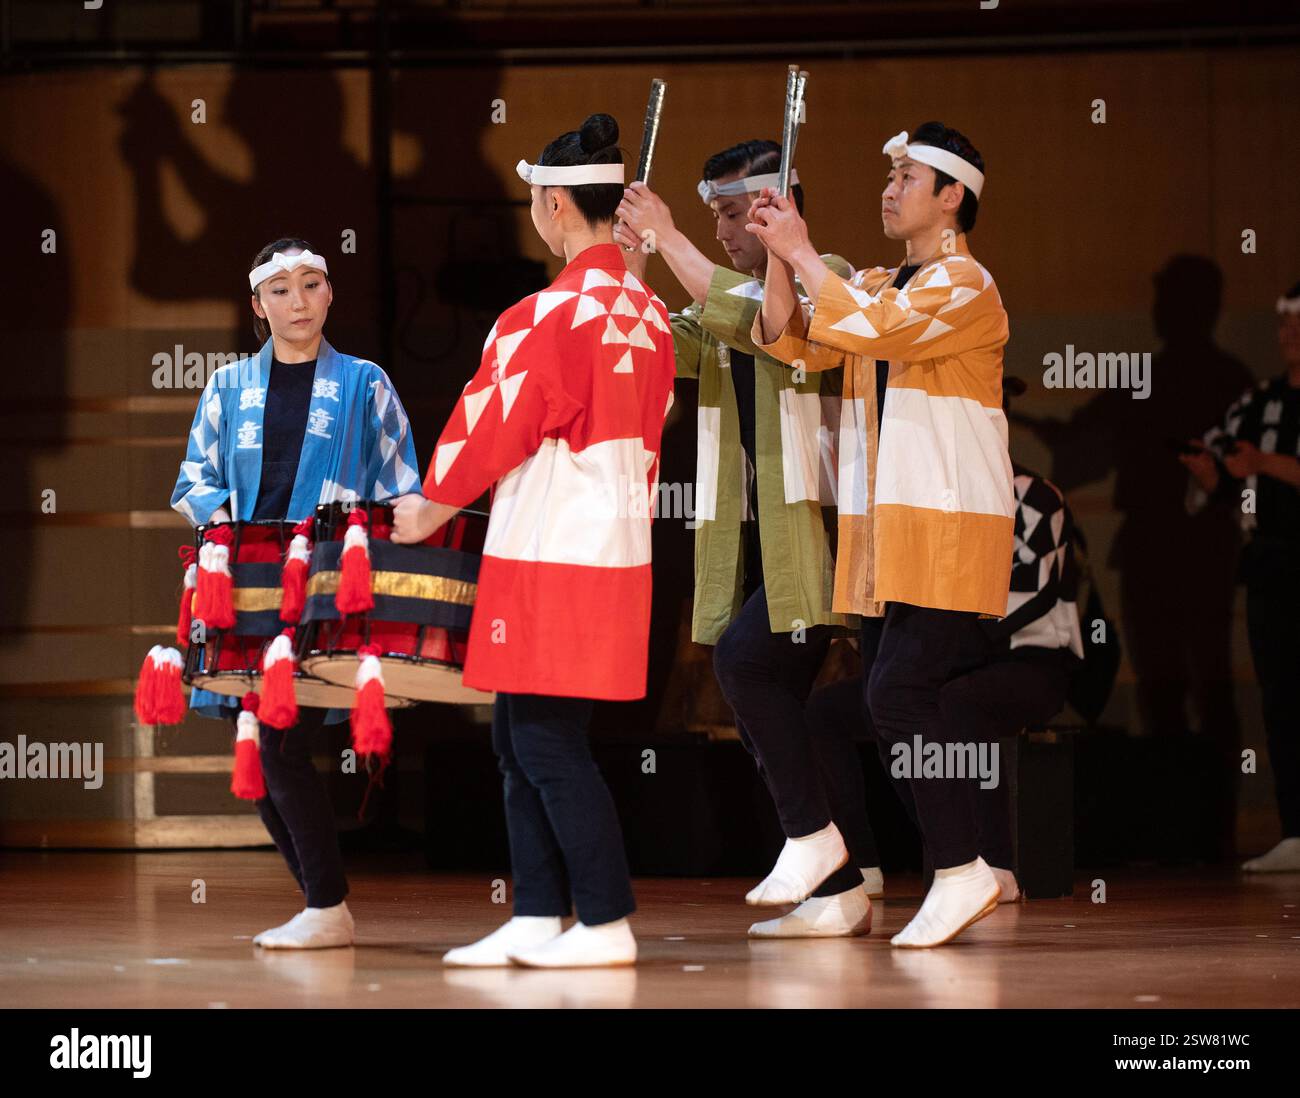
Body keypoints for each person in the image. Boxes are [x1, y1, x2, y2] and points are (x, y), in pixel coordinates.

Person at [393, 114, 676, 968]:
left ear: (556, 204)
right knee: (519, 737)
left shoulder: (548, 312)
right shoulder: (651, 311)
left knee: (544, 742)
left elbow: (492, 418)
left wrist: (432, 506)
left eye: (535, 201)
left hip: (552, 553)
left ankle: (604, 919)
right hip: (616, 552)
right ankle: (537, 912)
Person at [748, 122, 1015, 948]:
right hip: (886, 533)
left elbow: (880, 330)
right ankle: (957, 867)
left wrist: (802, 252)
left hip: (947, 522)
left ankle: (965, 869)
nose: (889, 187)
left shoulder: (967, 285)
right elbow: (796, 343)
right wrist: (775, 254)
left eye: (908, 176)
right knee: (884, 699)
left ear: (953, 196)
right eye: (888, 172)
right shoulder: (873, 282)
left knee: (897, 695)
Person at [614, 141, 877, 939]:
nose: (724, 231)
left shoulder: (824, 273)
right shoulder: (726, 286)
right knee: (781, 698)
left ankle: (836, 848)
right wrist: (627, 268)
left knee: (748, 664)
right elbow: (668, 345)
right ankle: (837, 885)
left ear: (776, 206)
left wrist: (670, 241)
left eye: (733, 215)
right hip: (768, 535)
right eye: (714, 217)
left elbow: (762, 321)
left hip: (831, 530)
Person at [171, 238, 422, 949]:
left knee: (279, 742)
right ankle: (323, 904)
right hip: (245, 582)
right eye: (280, 290)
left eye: (312, 284)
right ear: (258, 306)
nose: (299, 301)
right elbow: (194, 479)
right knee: (256, 741)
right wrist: (226, 531)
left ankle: (326, 906)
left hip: (322, 586)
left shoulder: (365, 383)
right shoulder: (226, 387)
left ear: (330, 294)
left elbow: (402, 484)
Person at [807, 378, 1084, 906]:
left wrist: (928, 650)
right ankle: (862, 865)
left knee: (949, 703)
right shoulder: (922, 501)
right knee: (834, 712)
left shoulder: (1037, 497)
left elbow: (1028, 599)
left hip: (1027, 660)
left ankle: (992, 862)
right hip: (946, 658)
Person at [1182, 280, 1300, 873]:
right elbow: (1233, 484)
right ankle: (1294, 829)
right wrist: (1215, 477)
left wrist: (1263, 464)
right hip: (1270, 563)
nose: (1290, 336)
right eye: (1284, 324)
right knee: (1279, 696)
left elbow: (1259, 465)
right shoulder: (1259, 400)